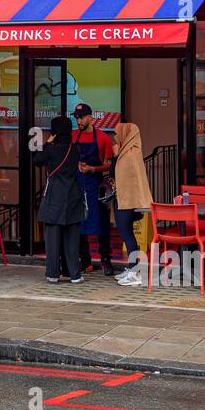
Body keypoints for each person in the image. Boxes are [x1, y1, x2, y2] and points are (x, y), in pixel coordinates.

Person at [33, 115, 85, 284]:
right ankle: (74, 274)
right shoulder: (75, 149)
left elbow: (37, 160)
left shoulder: (51, 149)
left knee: (53, 237)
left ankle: (53, 274)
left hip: (55, 194)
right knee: (72, 237)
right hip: (73, 194)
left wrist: (48, 142)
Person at [71, 103, 114, 275]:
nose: (78, 120)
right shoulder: (72, 136)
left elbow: (109, 166)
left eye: (81, 117)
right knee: (79, 223)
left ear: (90, 117)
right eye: (76, 117)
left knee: (101, 223)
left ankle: (106, 260)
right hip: (77, 185)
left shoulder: (103, 138)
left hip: (96, 185)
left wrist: (92, 169)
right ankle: (85, 260)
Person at [112, 122, 154, 287]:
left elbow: (117, 174)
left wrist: (115, 157)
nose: (116, 137)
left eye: (118, 133)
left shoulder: (127, 155)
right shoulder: (130, 151)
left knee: (127, 234)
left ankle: (135, 271)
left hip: (127, 201)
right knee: (127, 234)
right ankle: (132, 269)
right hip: (125, 199)